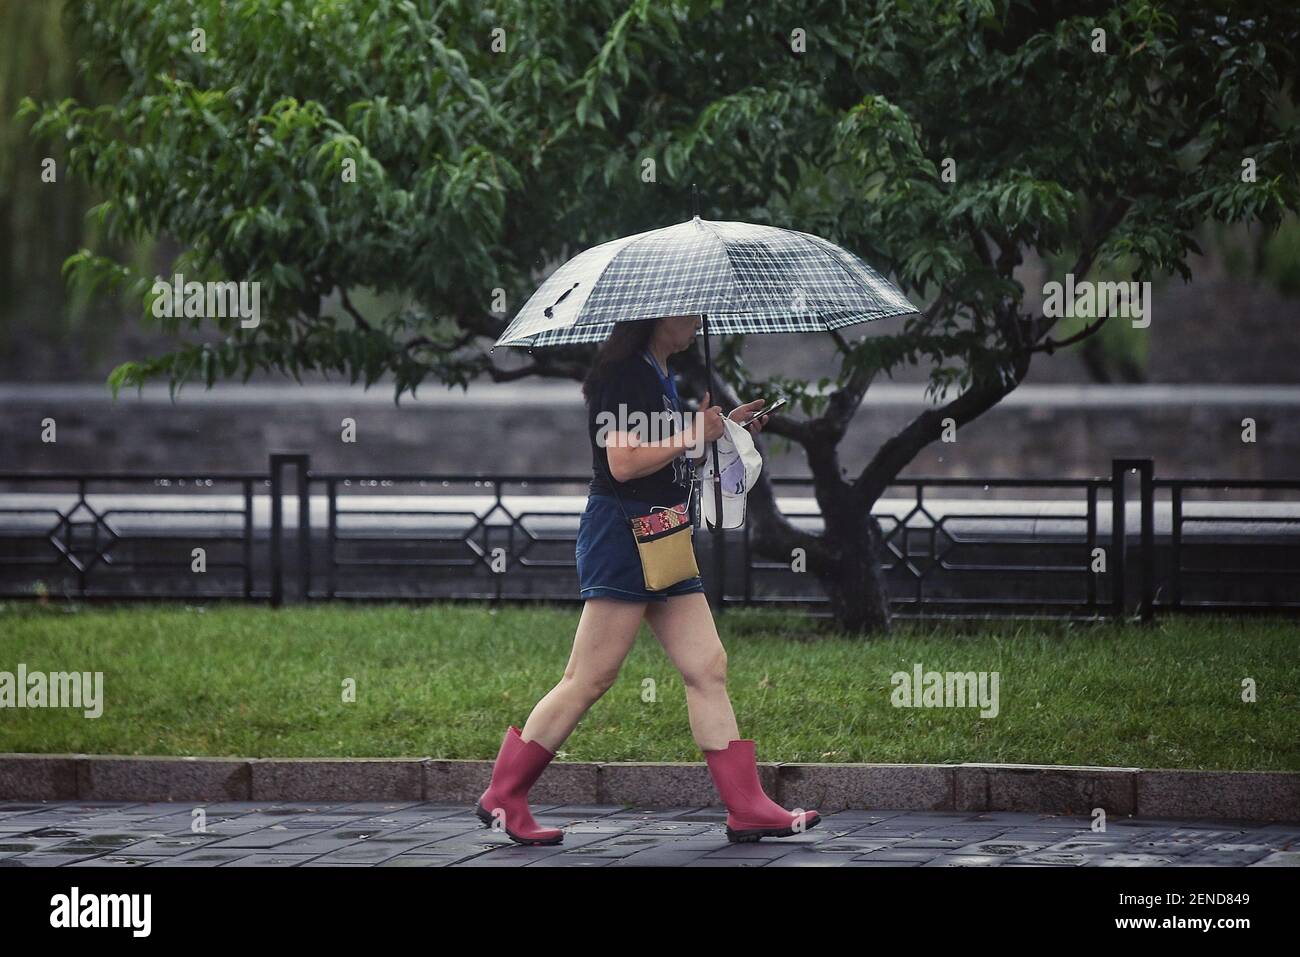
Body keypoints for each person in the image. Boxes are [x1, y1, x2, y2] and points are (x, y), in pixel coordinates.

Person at [475, 314, 821, 845]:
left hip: (663, 536)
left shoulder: (660, 373)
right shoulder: (624, 375)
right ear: (656, 316)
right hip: (623, 538)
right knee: (589, 678)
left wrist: (726, 429)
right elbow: (623, 462)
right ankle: (504, 793)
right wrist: (691, 432)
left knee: (707, 667)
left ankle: (747, 807)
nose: (699, 320)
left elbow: (668, 452)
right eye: (689, 311)